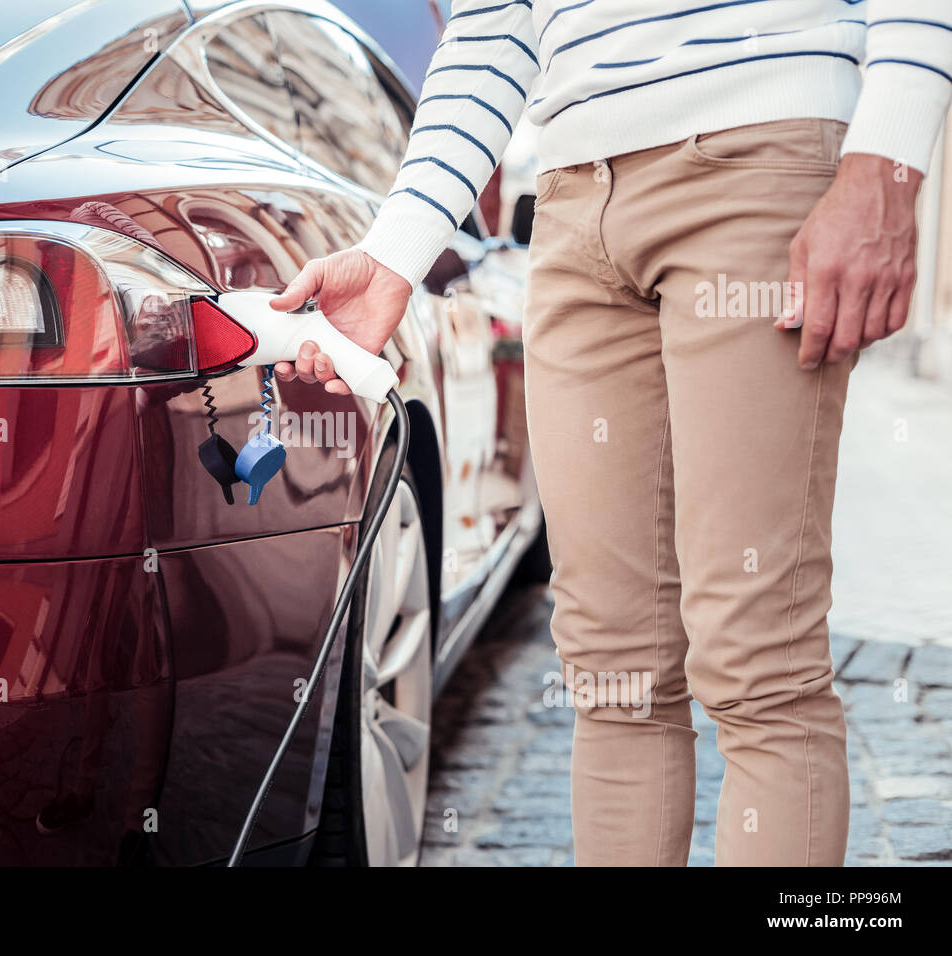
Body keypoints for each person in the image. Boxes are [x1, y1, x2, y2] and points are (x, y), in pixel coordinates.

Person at [272, 0, 952, 866]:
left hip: (757, 150)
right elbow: (491, 28)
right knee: (611, 673)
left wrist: (885, 170)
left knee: (760, 663)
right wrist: (398, 251)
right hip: (572, 202)